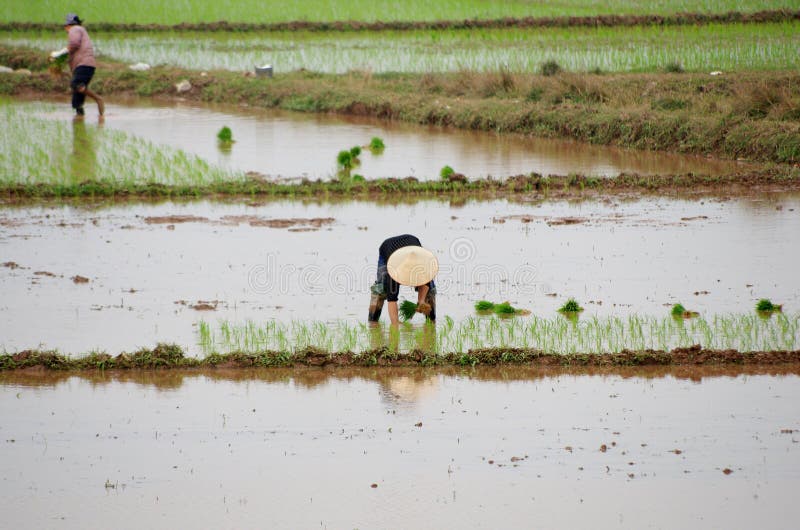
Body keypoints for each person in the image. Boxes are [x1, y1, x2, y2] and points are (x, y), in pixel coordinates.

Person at [368, 234, 438, 325]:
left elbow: (425, 283)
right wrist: (395, 323)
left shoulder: (423, 266)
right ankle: (373, 322)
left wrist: (421, 301)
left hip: (412, 243)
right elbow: (392, 300)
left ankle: (431, 322)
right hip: (387, 246)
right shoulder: (393, 273)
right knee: (381, 290)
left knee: (430, 290)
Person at [63, 13, 104, 117]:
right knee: (77, 102)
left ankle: (97, 98)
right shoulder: (80, 30)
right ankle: (81, 120)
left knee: (75, 84)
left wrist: (62, 52)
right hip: (86, 66)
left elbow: (74, 44)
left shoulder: (75, 29)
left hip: (84, 65)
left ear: (68, 25)